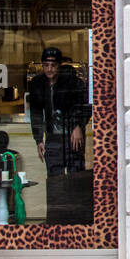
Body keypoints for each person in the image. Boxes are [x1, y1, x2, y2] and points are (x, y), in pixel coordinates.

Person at [27, 47, 90, 176]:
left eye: (53, 65)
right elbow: (36, 113)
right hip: (52, 138)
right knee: (55, 180)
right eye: (46, 65)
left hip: (72, 137)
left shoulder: (72, 82)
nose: (49, 69)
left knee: (76, 179)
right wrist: (38, 139)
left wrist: (78, 125)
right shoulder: (37, 84)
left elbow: (84, 106)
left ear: (59, 65)